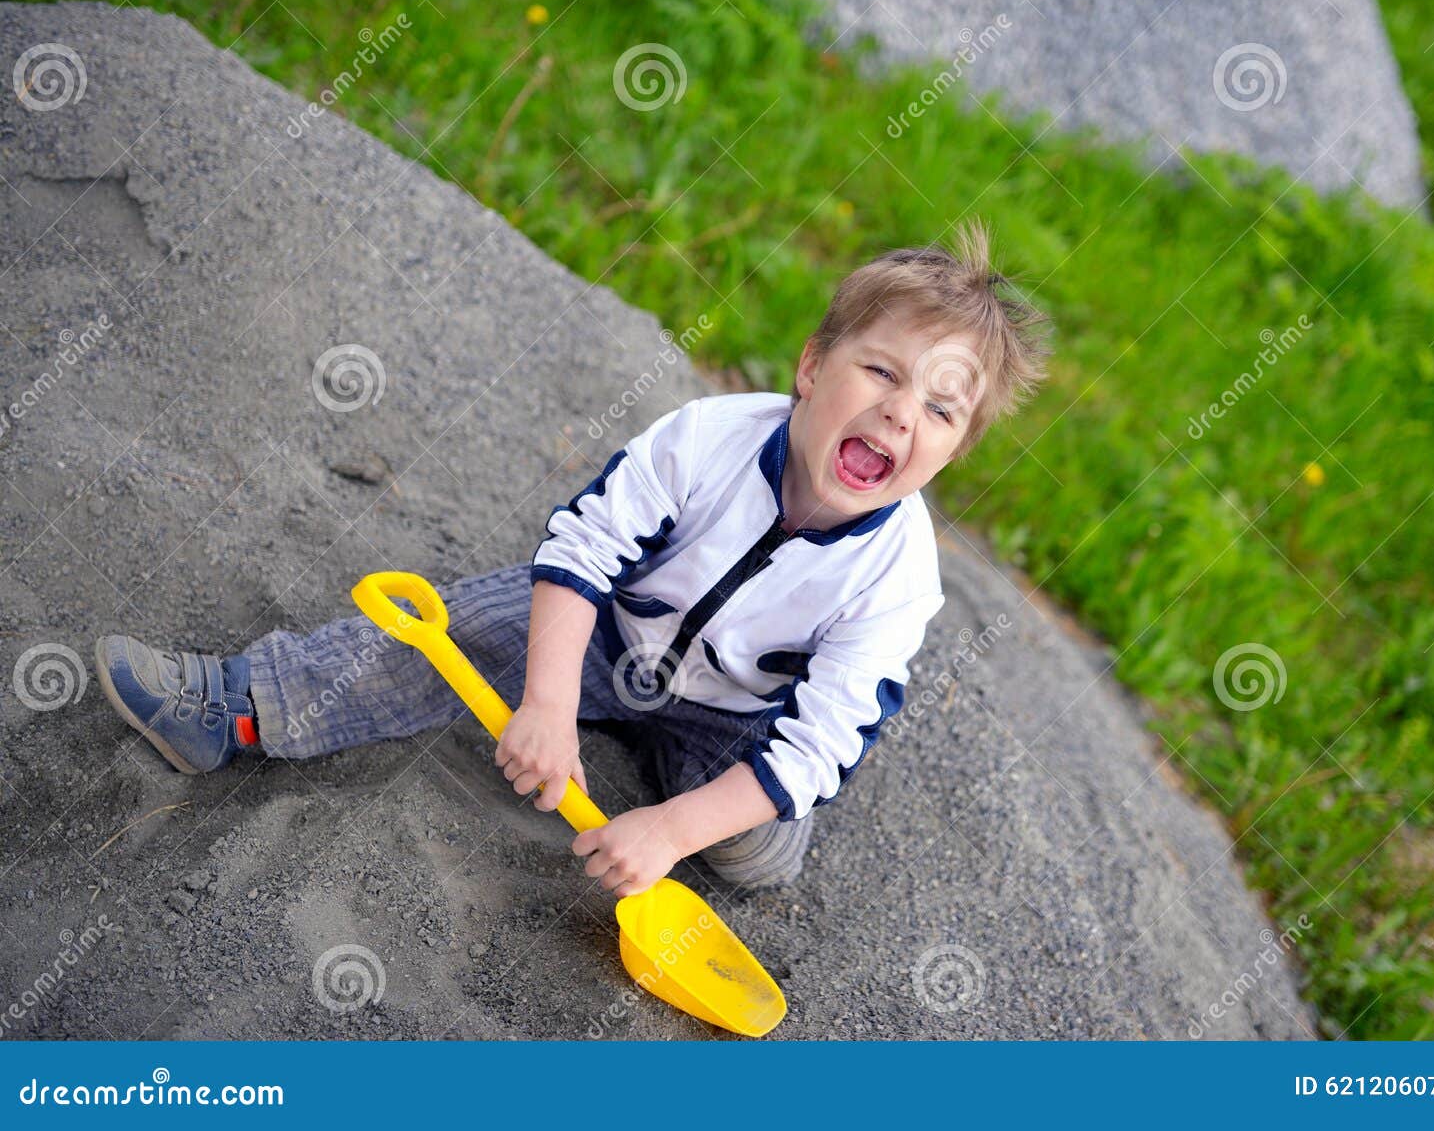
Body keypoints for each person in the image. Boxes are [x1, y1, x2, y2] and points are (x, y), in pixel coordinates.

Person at [93, 219, 1050, 896]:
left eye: (940, 408)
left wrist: (674, 832)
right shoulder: (706, 438)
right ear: (810, 369)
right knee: (456, 630)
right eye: (881, 371)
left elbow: (824, 739)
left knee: (753, 854)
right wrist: (548, 705)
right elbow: (585, 548)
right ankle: (238, 706)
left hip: (733, 713)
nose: (899, 411)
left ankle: (675, 784)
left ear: (952, 451)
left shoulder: (897, 580)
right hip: (610, 633)